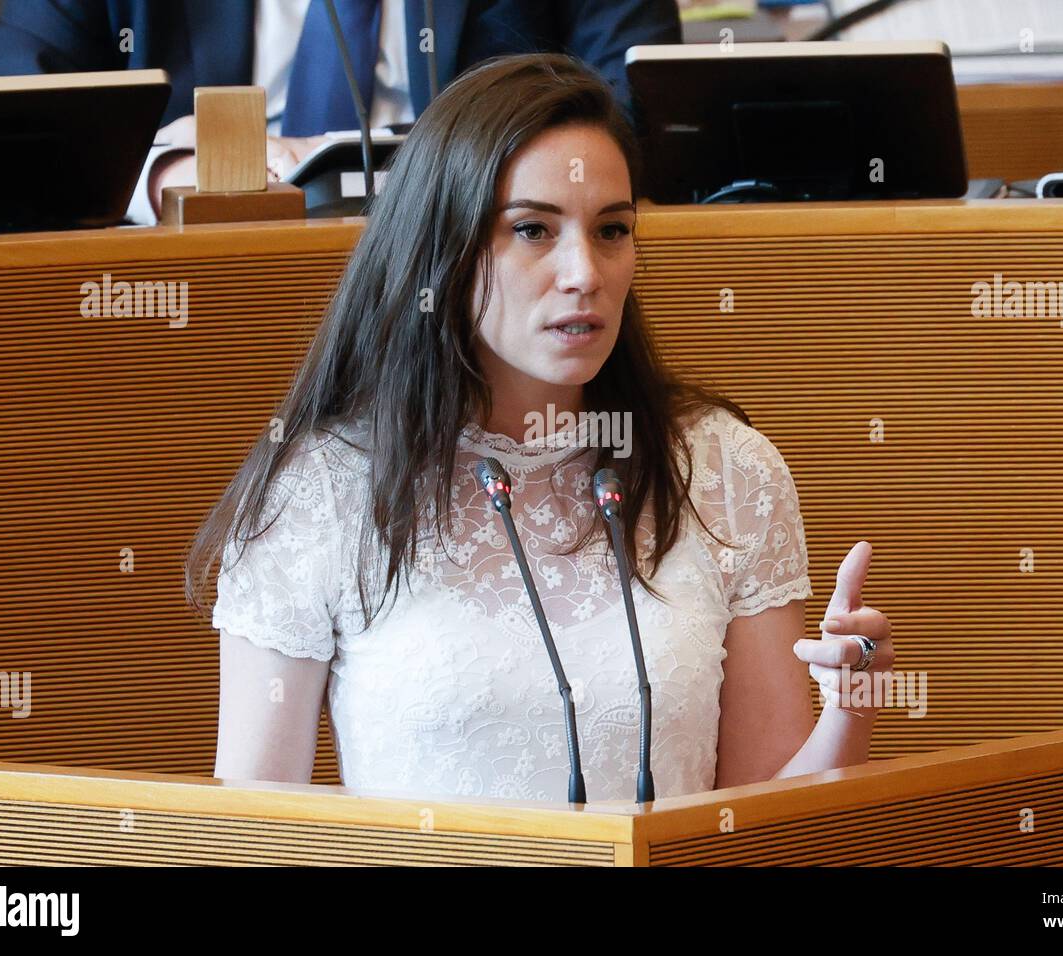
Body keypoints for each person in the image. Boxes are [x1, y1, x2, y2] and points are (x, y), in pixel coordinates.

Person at [185, 52, 895, 804]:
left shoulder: (722, 468)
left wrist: (851, 711)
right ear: (442, 250)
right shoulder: (322, 492)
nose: (584, 271)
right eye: (533, 230)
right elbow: (253, 832)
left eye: (612, 230)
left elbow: (760, 821)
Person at [0, 0, 682, 223]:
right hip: (190, 300)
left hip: (473, 280)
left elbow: (639, 117)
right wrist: (173, 172)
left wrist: (443, 170)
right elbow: (11, 139)